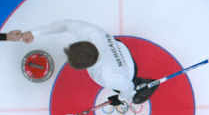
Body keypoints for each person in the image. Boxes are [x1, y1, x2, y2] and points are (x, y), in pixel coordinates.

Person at [21, 20, 157, 105]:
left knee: (132, 94)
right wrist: (34, 32)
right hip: (118, 48)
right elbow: (66, 24)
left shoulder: (106, 77)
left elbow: (128, 86)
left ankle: (147, 87)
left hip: (129, 72)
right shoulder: (91, 33)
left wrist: (121, 98)